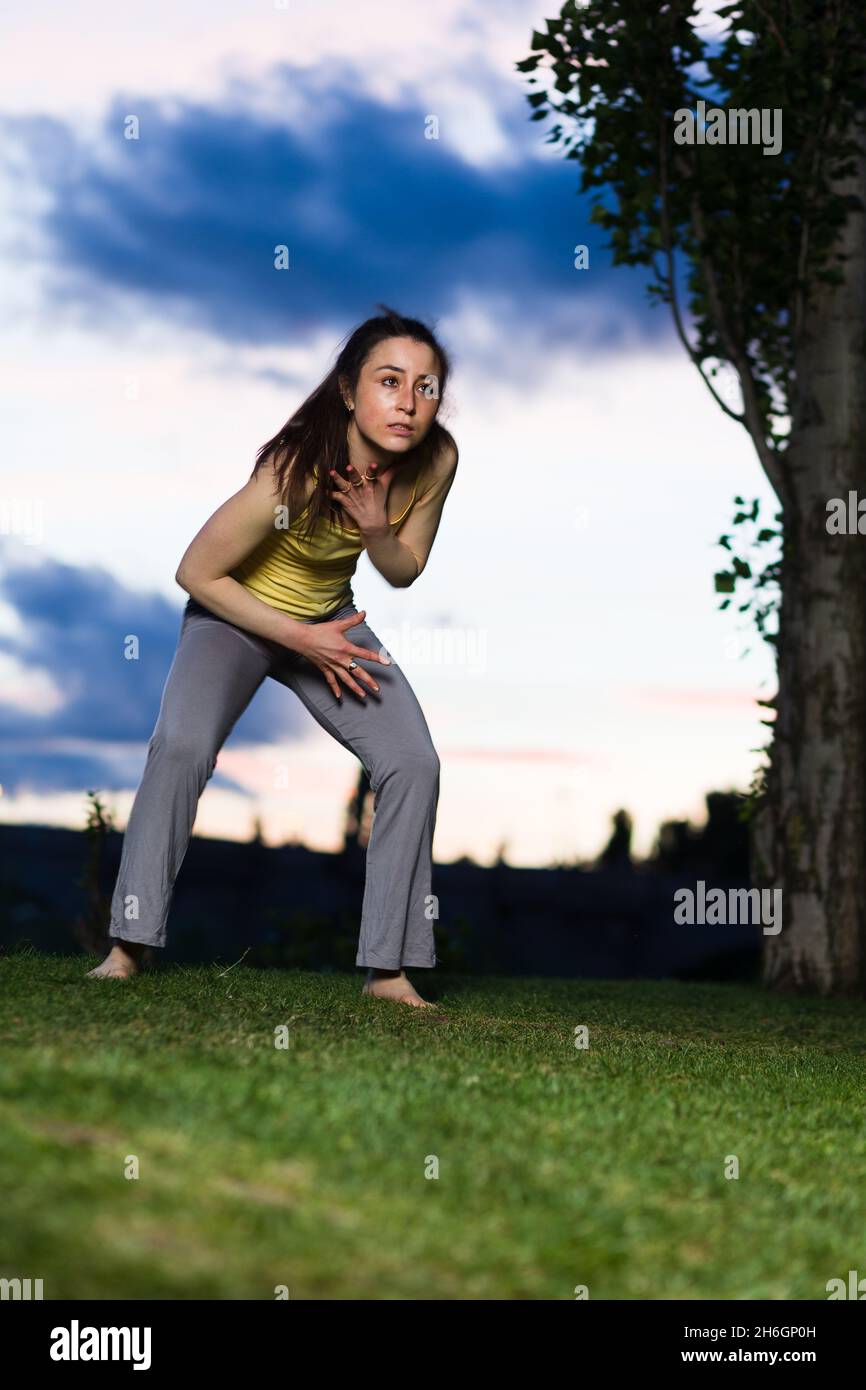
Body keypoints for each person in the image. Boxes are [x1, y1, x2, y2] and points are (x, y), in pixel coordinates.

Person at [87, 305, 459, 1008]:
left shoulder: (437, 457)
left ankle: (390, 972)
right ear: (349, 391)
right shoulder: (296, 466)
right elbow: (196, 571)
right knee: (181, 746)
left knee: (413, 762)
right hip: (236, 612)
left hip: (328, 617)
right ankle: (127, 949)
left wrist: (377, 528)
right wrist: (300, 640)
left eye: (426, 386)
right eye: (389, 381)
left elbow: (404, 569)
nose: (408, 402)